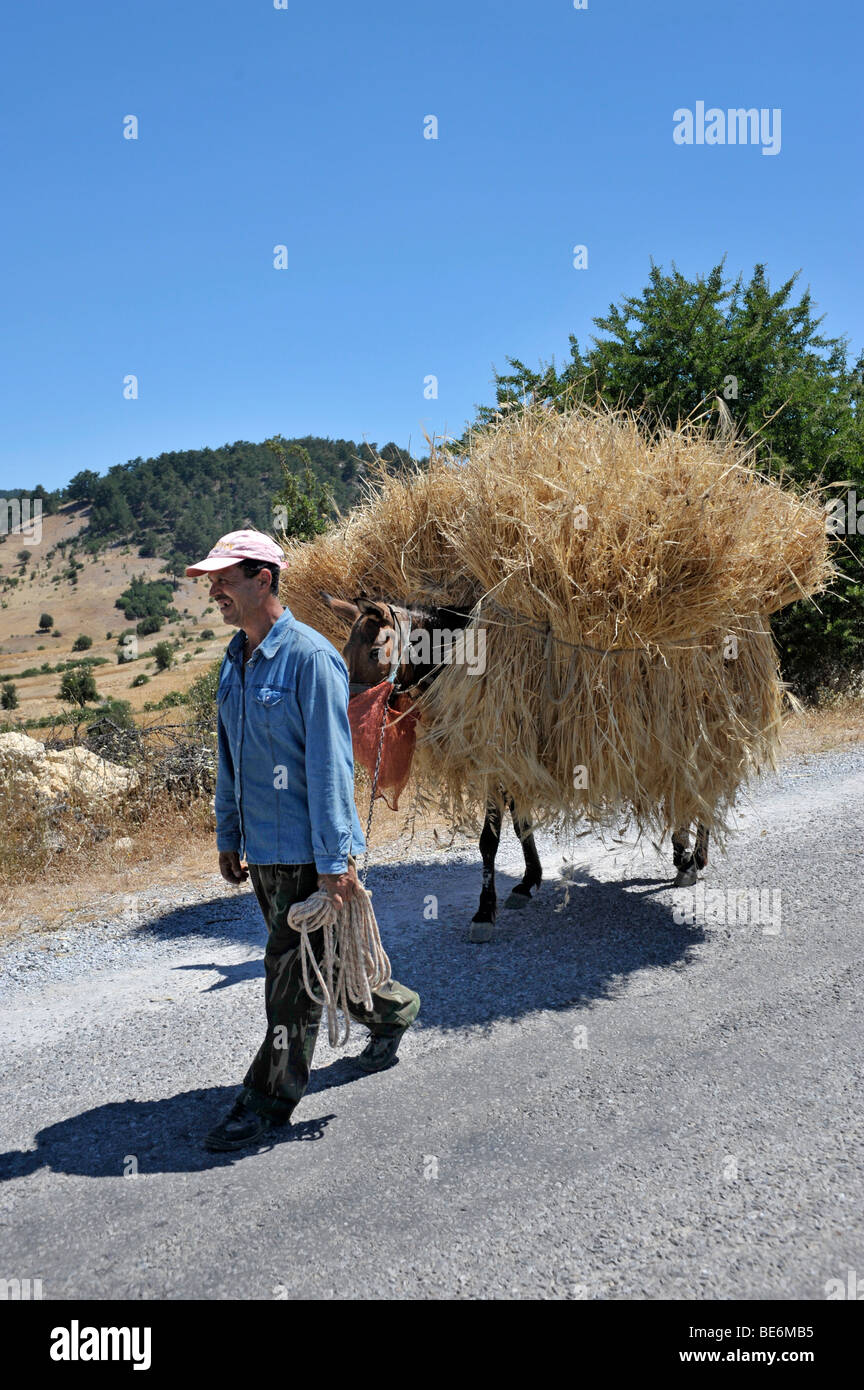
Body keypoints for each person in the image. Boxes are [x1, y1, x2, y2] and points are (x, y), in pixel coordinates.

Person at [185, 529, 420, 1152]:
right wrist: (228, 835)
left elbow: (330, 766)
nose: (215, 592)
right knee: (326, 965)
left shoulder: (311, 660)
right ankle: (392, 1009)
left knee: (289, 980)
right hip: (261, 852)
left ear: (264, 579)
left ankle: (266, 1101)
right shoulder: (235, 662)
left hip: (305, 854)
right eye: (212, 583)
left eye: (224, 580)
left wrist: (336, 861)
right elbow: (229, 760)